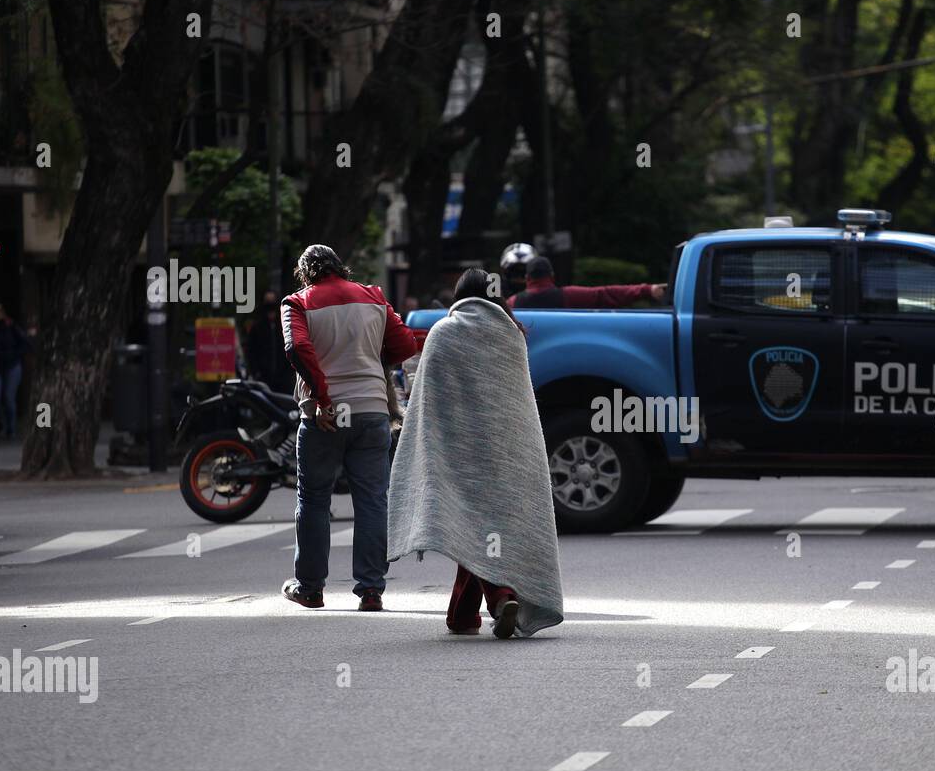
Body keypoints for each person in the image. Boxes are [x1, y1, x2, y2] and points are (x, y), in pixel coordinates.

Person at [387, 268, 563, 639]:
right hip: (508, 450)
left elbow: (427, 399)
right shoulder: (511, 334)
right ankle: (463, 615)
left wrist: (423, 443)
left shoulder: (444, 333)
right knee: (482, 527)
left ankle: (501, 597)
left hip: (460, 451)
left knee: (474, 524)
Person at [279, 245, 418, 612]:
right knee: (372, 500)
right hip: (372, 409)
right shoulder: (373, 297)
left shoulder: (297, 303)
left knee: (313, 499)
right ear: (341, 267)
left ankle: (310, 588)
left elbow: (297, 349)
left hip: (325, 415)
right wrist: (373, 361)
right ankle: (371, 589)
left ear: (305, 273)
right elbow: (404, 343)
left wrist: (322, 396)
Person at [506, 255, 667, 309]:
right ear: (552, 277)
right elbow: (605, 294)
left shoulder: (512, 304)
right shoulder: (568, 295)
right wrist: (647, 290)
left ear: (527, 279)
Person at [245, 291, 293, 394]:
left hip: (283, 380)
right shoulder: (257, 327)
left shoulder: (284, 325)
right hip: (263, 379)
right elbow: (250, 351)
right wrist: (256, 372)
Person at [0, 303, 31, 440]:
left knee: (9, 398)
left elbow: (25, 344)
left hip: (12, 366)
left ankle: (11, 429)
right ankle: (0, 423)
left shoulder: (11, 326)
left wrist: (13, 354)